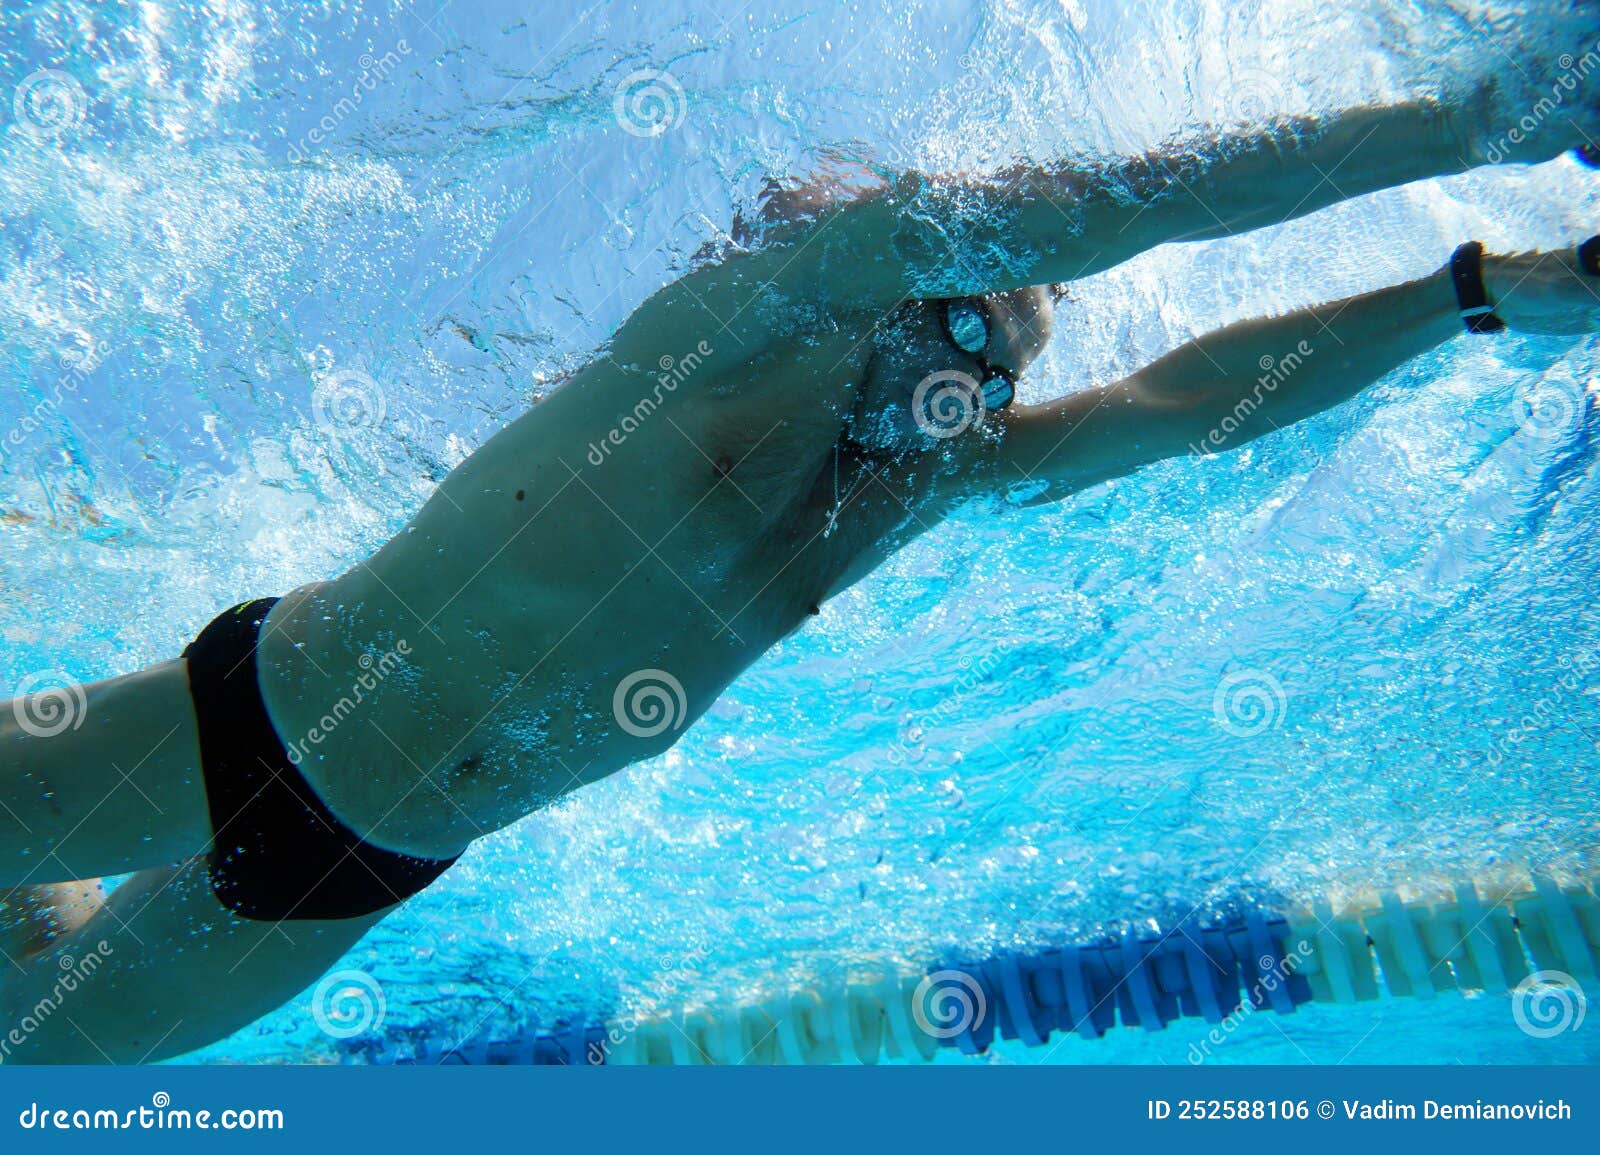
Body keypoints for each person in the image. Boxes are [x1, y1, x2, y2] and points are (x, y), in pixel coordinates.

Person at [3, 81, 1599, 1062]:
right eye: (984, 314)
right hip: (262, 712)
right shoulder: (764, 308)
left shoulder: (929, 478)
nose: (1003, 351)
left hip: (363, 863)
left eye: (1010, 351)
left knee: (37, 1057)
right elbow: (1151, 204)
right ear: (927, 280)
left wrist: (1479, 290)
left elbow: (1192, 409)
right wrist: (1470, 122)